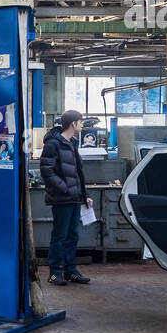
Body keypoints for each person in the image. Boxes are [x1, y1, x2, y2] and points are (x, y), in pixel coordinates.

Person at [39, 110, 94, 286]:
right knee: (60, 236)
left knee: (72, 236)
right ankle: (55, 273)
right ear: (73, 124)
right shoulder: (53, 144)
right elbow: (46, 171)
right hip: (62, 198)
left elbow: (77, 173)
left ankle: (70, 271)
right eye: (81, 122)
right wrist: (65, 189)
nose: (82, 125)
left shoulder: (72, 143)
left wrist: (84, 196)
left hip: (75, 197)